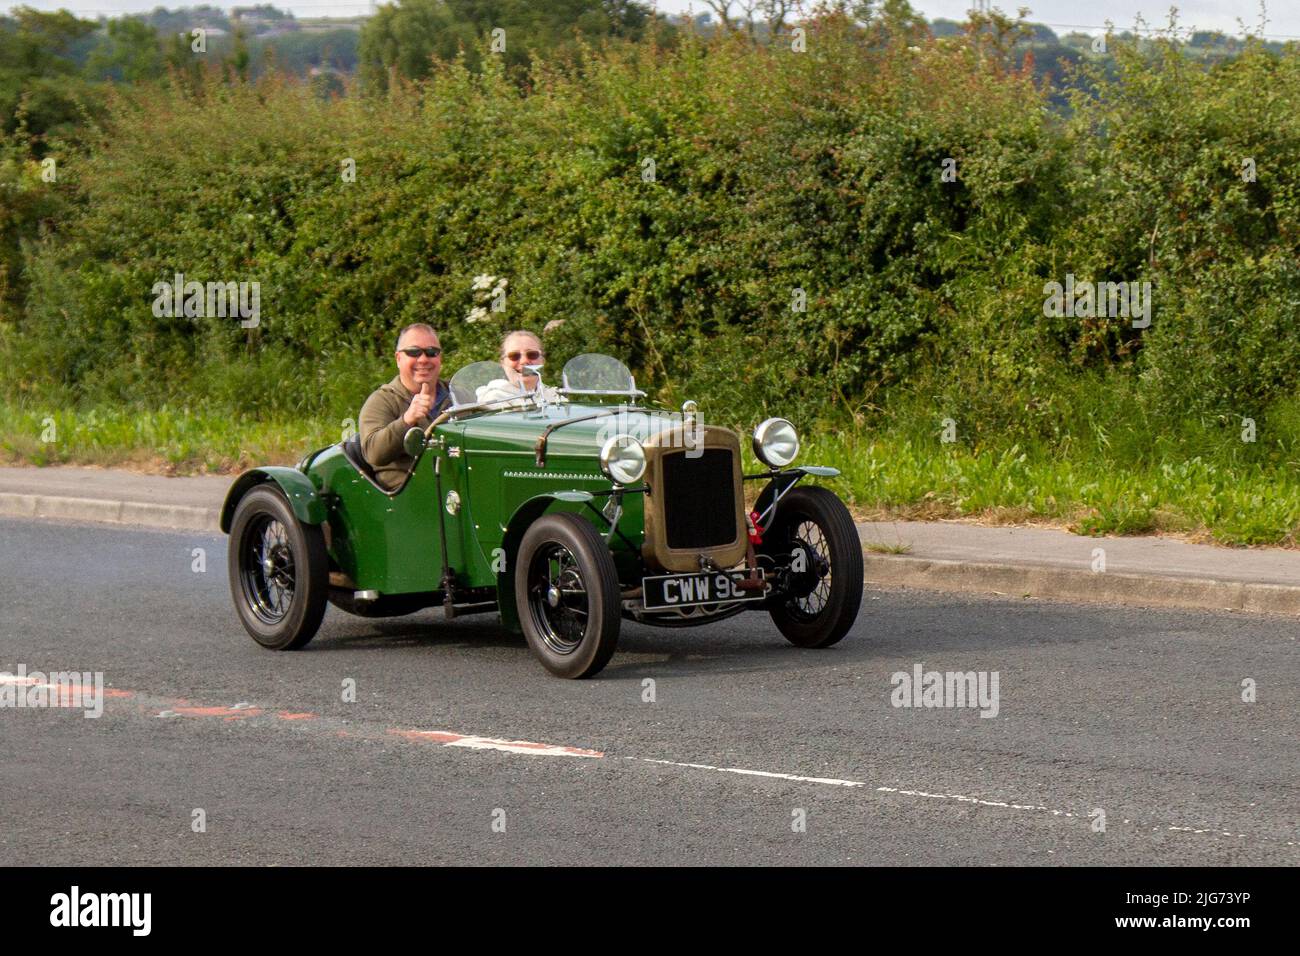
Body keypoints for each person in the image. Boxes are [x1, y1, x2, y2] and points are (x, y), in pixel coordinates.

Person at [358, 323, 451, 491]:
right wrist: (407, 420)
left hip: (457, 483)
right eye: (413, 352)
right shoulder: (382, 400)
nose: (423, 359)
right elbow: (373, 453)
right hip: (411, 493)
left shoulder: (457, 393)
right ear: (398, 359)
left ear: (440, 358)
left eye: (431, 352)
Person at [475, 329, 561, 407]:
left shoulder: (556, 397)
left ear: (542, 360)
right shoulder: (493, 400)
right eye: (514, 355)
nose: (524, 361)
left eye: (532, 354)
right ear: (503, 363)